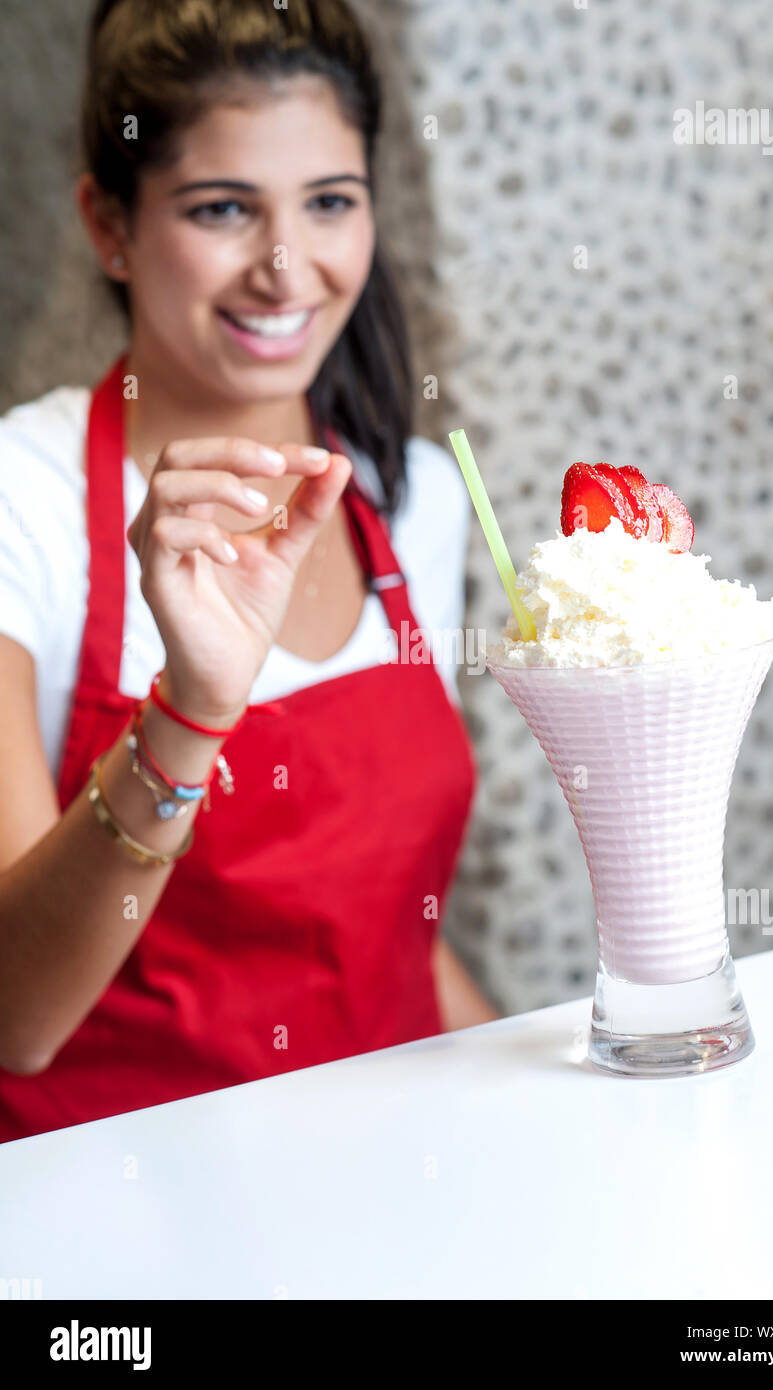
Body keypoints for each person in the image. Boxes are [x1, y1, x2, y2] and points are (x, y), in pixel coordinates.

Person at [0, 0, 498, 1145]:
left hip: (393, 1185)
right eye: (223, 209)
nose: (287, 269)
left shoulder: (406, 490)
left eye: (329, 202)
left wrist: (534, 1100)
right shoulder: (22, 505)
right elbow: (18, 1016)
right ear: (108, 225)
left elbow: (391, 941)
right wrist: (191, 708)